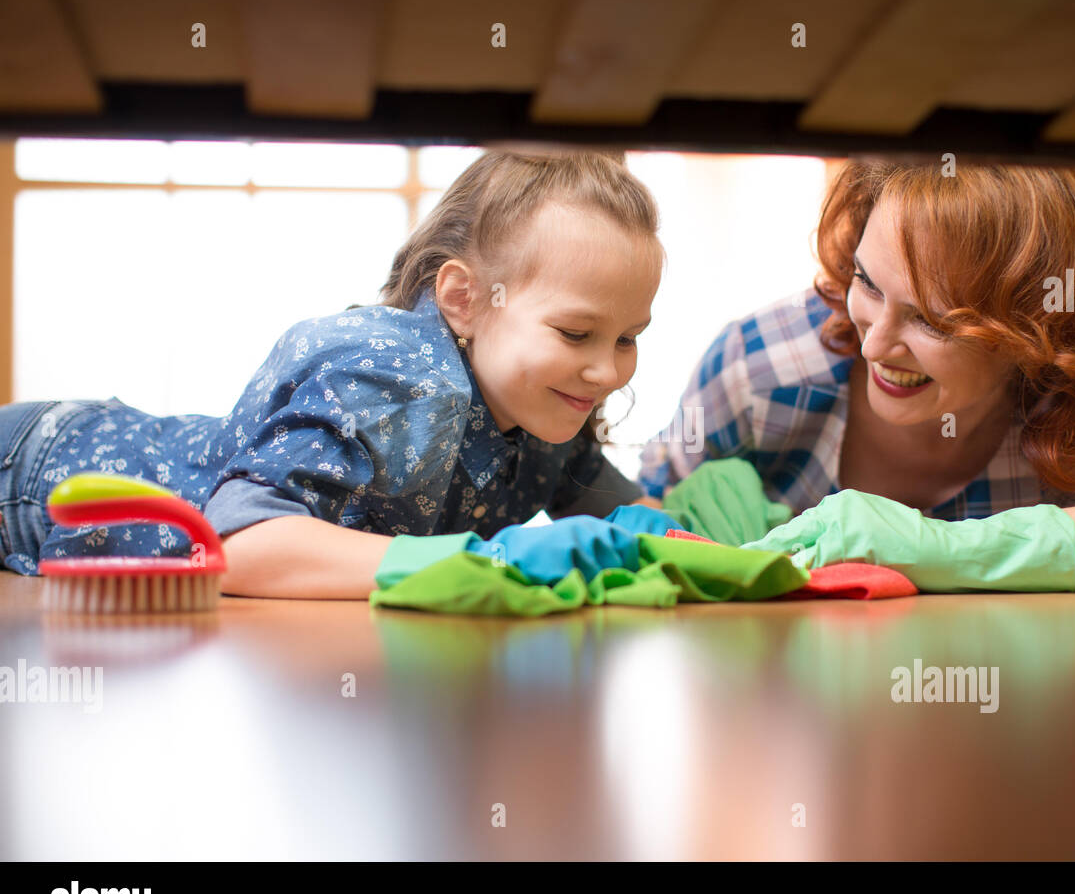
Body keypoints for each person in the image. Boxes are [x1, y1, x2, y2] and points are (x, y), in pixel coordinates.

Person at [0, 150, 676, 599]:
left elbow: (631, 521)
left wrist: (743, 554)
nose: (606, 370)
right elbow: (245, 543)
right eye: (576, 333)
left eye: (628, 339)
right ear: (464, 300)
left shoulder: (545, 410)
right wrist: (493, 561)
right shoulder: (392, 377)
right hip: (31, 473)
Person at [641, 162, 1075, 589]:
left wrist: (954, 550)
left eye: (935, 322)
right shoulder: (762, 369)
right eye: (867, 283)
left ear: (1045, 328)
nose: (875, 345)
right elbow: (633, 527)